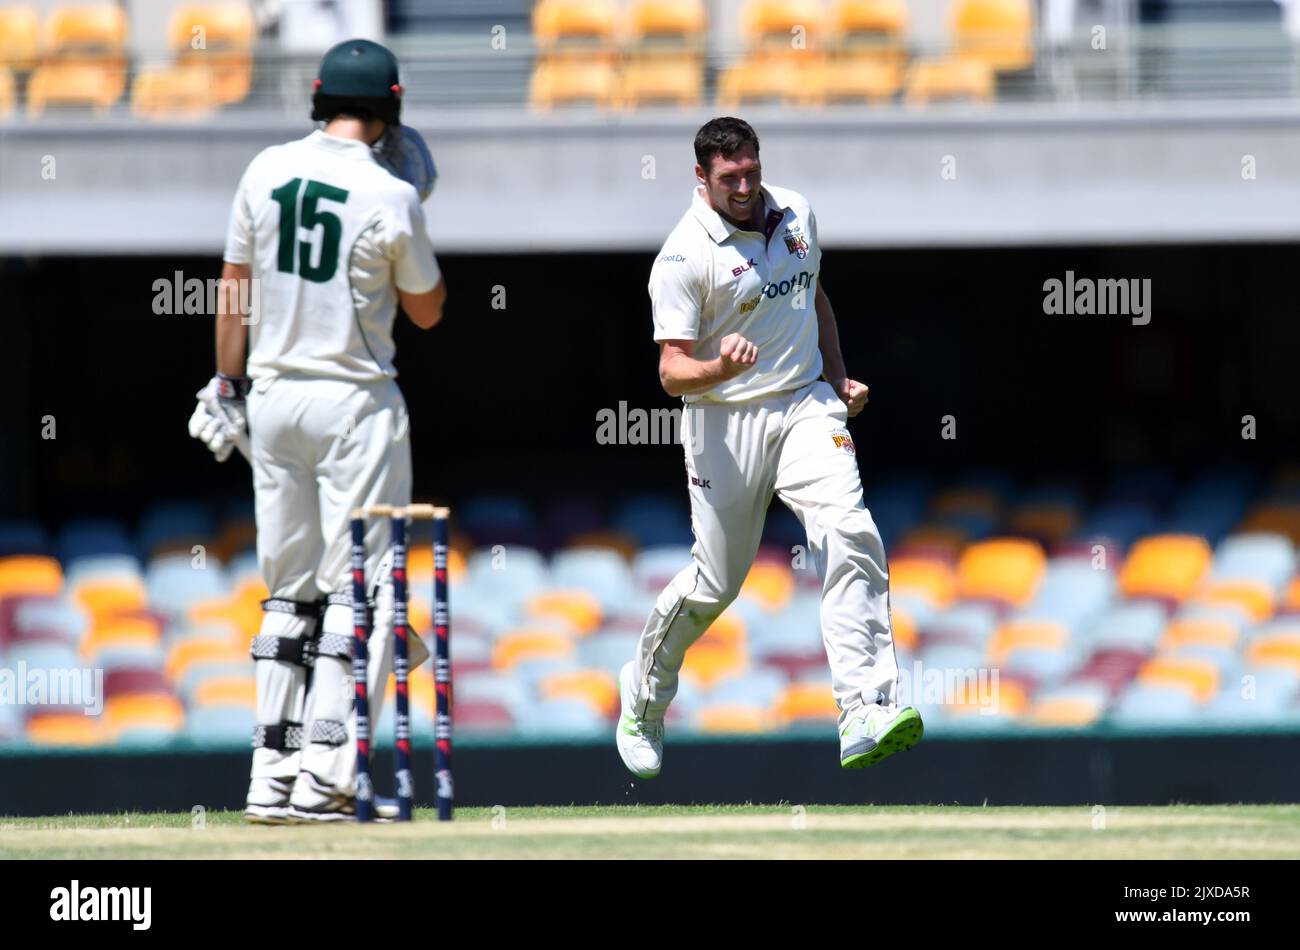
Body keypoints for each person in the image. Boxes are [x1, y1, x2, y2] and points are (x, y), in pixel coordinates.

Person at [188, 38, 446, 822]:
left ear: (318, 96)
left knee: (288, 595)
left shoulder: (264, 169)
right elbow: (429, 312)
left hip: (270, 399)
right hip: (354, 404)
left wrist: (226, 383)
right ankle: (329, 775)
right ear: (392, 106)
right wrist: (410, 205)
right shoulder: (389, 192)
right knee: (359, 592)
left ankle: (271, 774)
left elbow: (232, 290)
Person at [617, 117, 922, 778]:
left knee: (848, 530)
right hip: (722, 421)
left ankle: (864, 708)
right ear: (701, 178)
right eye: (730, 178)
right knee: (714, 584)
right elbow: (671, 373)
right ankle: (641, 698)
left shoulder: (797, 213)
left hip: (804, 405)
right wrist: (720, 369)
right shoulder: (682, 256)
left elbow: (815, 298)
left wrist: (836, 375)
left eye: (752, 171)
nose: (746, 186)